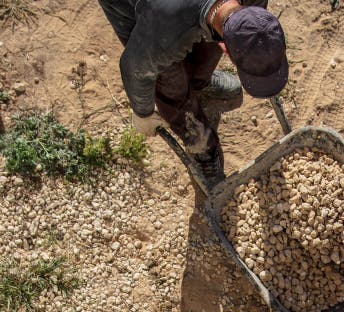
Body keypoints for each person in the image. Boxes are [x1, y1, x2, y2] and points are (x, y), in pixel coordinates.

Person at [98, 0, 288, 187]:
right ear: (226, 51)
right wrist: (143, 112)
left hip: (181, 16)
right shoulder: (163, 32)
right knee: (169, 81)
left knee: (209, 40)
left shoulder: (252, 4)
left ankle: (199, 84)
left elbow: (246, 29)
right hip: (144, 10)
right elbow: (135, 68)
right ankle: (201, 145)